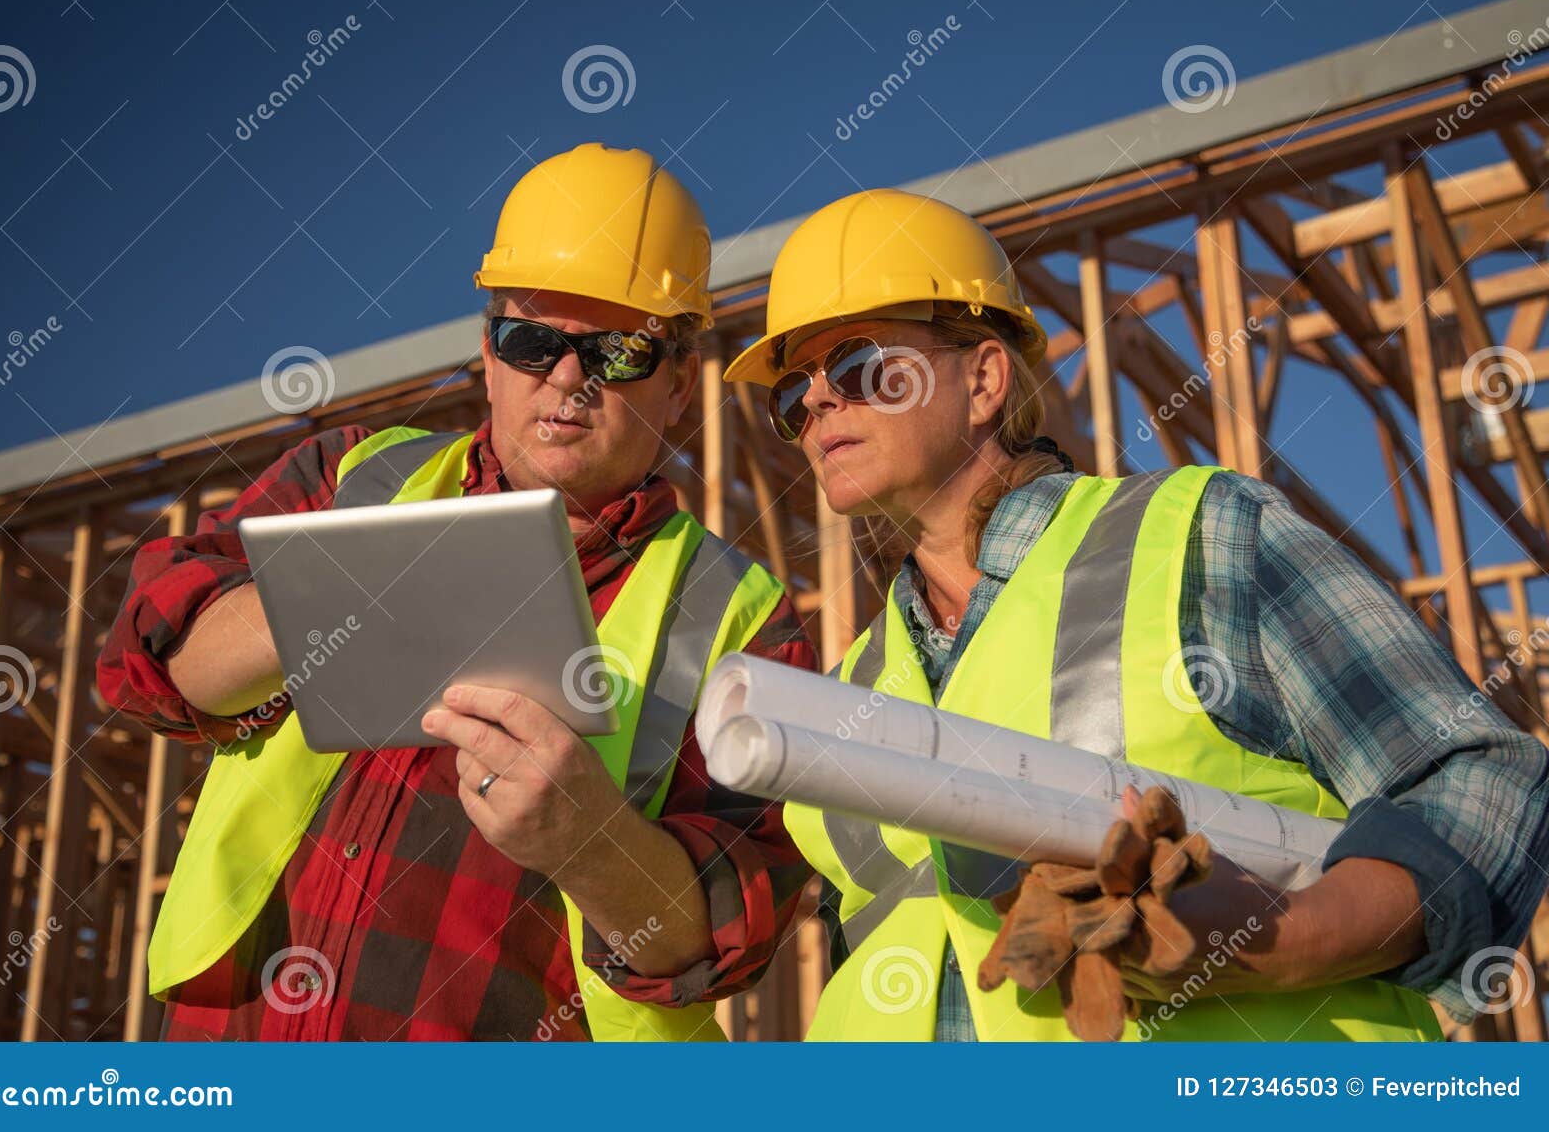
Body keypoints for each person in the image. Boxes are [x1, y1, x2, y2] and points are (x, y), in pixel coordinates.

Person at [721, 187, 1549, 1041]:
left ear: (982, 378)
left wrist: (1265, 940)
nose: (818, 402)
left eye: (857, 366)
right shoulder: (850, 690)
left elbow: (1478, 780)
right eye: (795, 393)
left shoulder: (1198, 539)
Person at [97, 143, 817, 1041]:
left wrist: (590, 840)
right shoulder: (351, 476)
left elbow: (734, 929)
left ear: (677, 387)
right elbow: (151, 658)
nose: (567, 378)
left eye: (622, 352)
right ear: (487, 353)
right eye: (532, 341)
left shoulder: (736, 619)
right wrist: (343, 594)